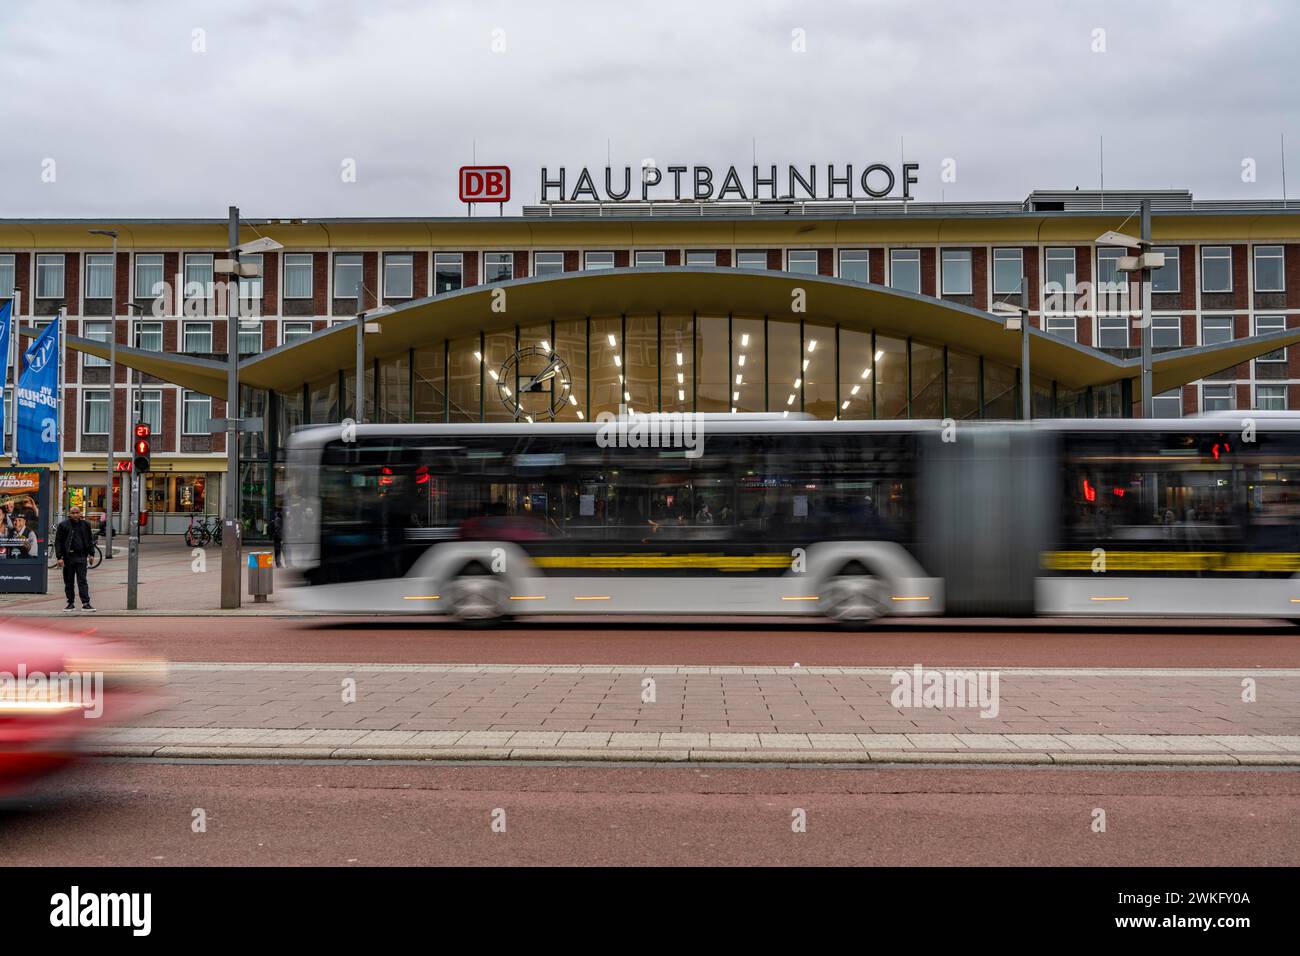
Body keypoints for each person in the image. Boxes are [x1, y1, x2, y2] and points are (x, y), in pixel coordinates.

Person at [55, 506, 96, 611]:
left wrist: (92, 554)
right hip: (68, 558)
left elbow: (89, 540)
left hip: (81, 557)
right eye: (73, 513)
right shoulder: (63, 525)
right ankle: (70, 603)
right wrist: (59, 557)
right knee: (69, 582)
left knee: (82, 581)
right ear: (69, 514)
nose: (75, 515)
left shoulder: (86, 525)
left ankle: (86, 603)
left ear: (80, 513)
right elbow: (58, 542)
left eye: (77, 512)